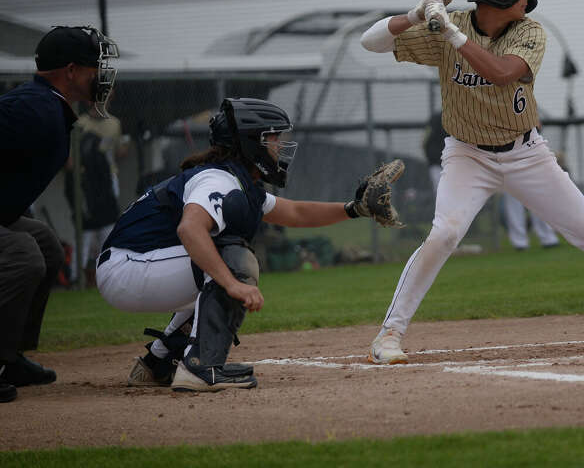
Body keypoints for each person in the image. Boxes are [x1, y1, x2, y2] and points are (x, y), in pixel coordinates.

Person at [359, 0, 584, 364]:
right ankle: (389, 334)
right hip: (467, 155)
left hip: (526, 153)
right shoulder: (448, 27)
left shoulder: (528, 32)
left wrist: (452, 36)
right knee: (443, 235)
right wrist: (415, 15)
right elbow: (371, 42)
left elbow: (501, 73)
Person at [96, 97, 400, 392]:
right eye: (273, 139)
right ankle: (201, 368)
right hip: (128, 267)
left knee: (221, 265)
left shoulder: (235, 180)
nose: (280, 146)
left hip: (133, 266)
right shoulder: (217, 179)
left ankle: (158, 363)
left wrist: (354, 209)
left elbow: (295, 213)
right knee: (234, 261)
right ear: (251, 143)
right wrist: (232, 284)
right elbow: (190, 229)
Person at [0, 25, 119, 403]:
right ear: (71, 71)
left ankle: (8, 357)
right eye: (93, 68)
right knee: (24, 254)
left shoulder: (47, 105)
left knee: (46, 244)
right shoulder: (33, 108)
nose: (100, 76)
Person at [67, 94, 130, 285]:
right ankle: (76, 278)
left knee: (108, 228)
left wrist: (126, 143)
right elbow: (69, 161)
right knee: (85, 230)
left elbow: (119, 151)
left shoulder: (114, 123)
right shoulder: (80, 123)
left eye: (107, 97)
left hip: (108, 181)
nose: (104, 101)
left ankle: (108, 275)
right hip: (86, 183)